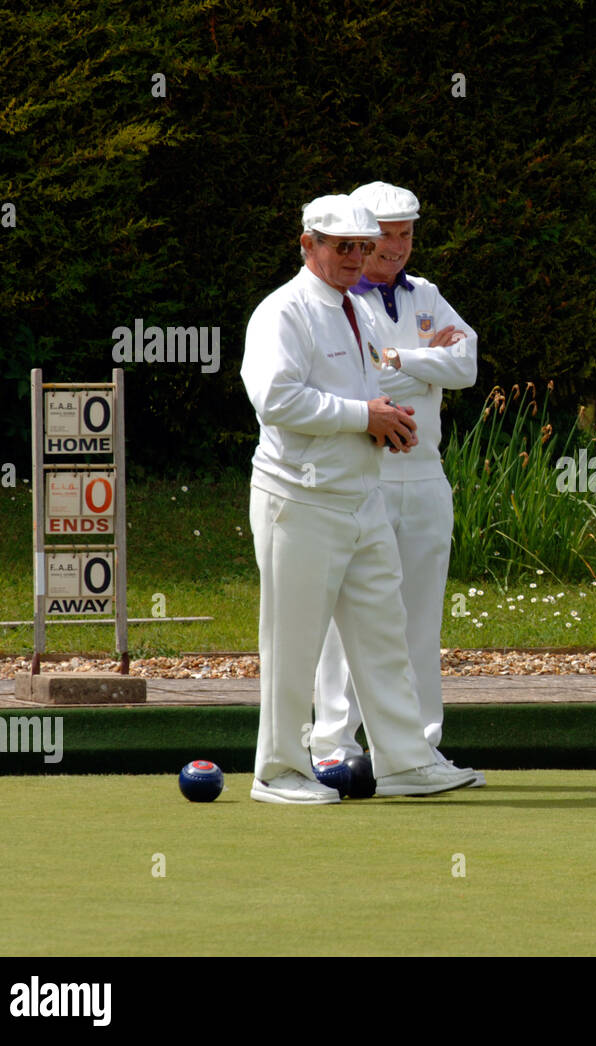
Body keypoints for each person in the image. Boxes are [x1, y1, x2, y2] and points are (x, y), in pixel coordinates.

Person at [241, 193, 476, 804]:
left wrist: (388, 418)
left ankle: (404, 762)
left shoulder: (360, 313)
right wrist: (363, 414)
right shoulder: (282, 312)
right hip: (301, 498)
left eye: (362, 247)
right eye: (341, 246)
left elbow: (377, 382)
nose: (354, 257)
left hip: (362, 496)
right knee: (293, 640)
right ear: (308, 245)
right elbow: (277, 399)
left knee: (384, 634)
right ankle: (278, 770)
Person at [311, 182, 484, 785]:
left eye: (407, 233)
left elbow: (468, 363)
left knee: (419, 616)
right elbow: (363, 387)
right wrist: (418, 363)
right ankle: (332, 743)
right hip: (369, 473)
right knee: (349, 614)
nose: (396, 245)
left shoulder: (428, 295)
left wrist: (402, 361)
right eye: (385, 233)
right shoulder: (338, 302)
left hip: (426, 473)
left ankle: (417, 750)